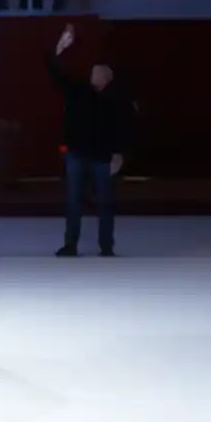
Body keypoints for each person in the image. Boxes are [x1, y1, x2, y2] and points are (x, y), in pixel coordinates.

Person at [48, 24, 133, 257]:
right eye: (93, 72)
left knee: (105, 203)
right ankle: (70, 244)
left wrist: (119, 154)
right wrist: (59, 48)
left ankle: (106, 246)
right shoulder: (79, 90)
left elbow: (124, 128)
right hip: (77, 153)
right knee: (73, 201)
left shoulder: (116, 99)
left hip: (102, 157)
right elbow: (56, 74)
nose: (93, 76)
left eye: (99, 73)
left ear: (107, 78)